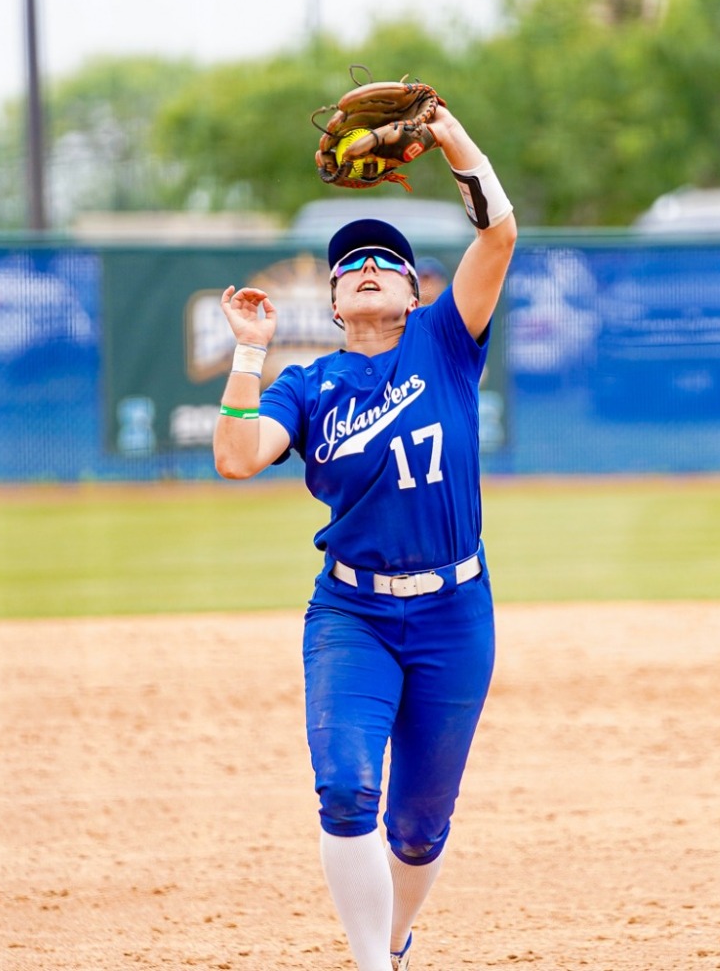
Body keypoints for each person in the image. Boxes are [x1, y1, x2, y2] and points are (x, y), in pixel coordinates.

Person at [213, 101, 518, 971]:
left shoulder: (446, 343)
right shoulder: (308, 386)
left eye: (390, 260)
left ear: (416, 290)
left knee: (420, 826)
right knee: (347, 791)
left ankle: (394, 942)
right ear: (337, 301)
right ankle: (370, 964)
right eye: (353, 265)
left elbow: (497, 236)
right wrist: (249, 352)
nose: (372, 267)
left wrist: (452, 134)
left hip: (456, 614)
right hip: (352, 613)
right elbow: (238, 456)